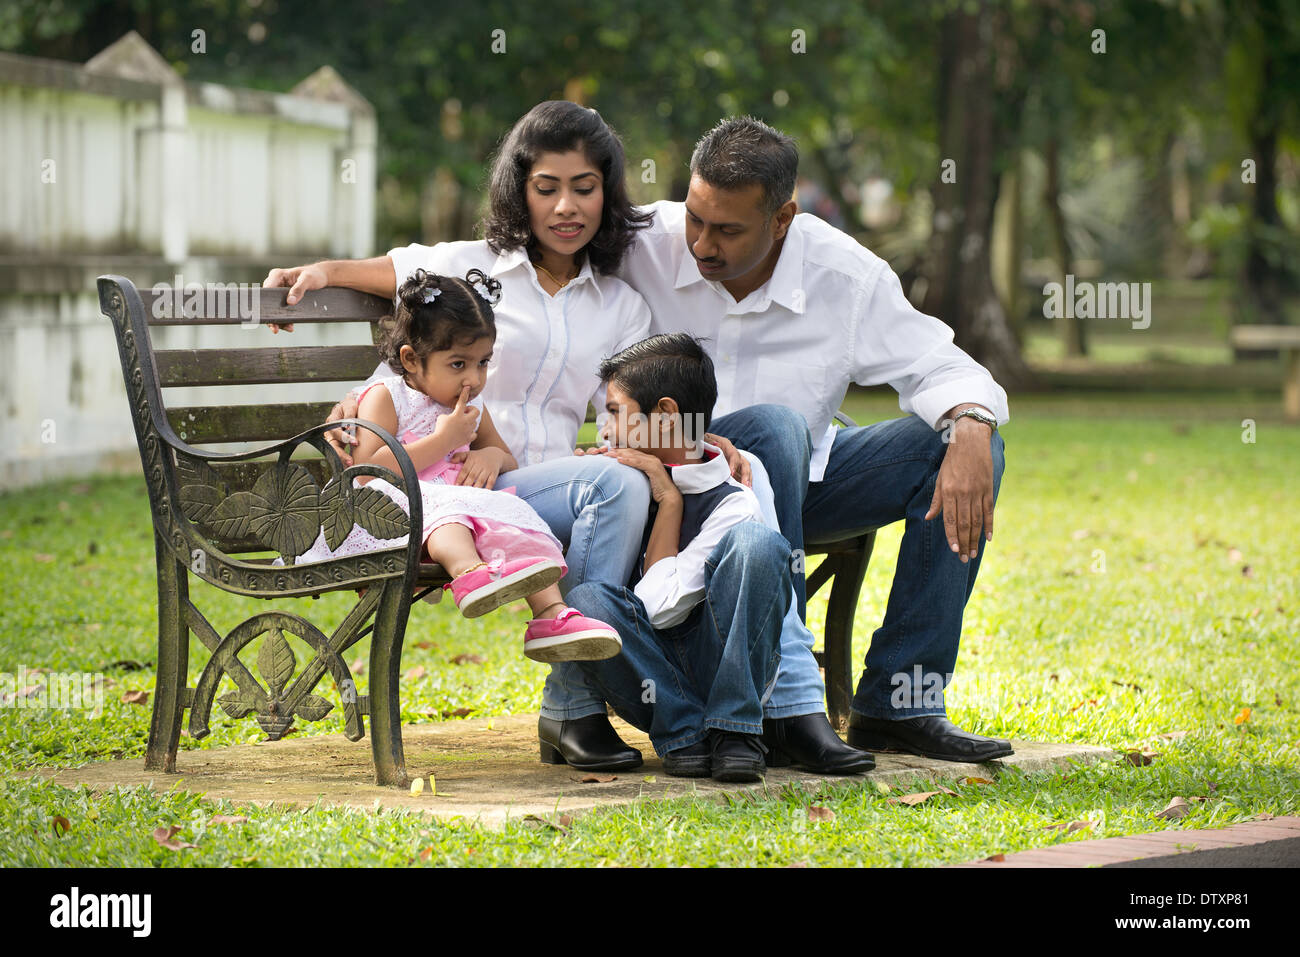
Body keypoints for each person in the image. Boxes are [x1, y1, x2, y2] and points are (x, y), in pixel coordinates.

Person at [264, 101, 753, 770]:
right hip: (448, 483)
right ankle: (576, 709)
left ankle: (575, 701)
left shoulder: (620, 305)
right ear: (519, 191)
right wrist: (318, 273)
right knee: (615, 483)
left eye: (584, 186)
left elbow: (637, 402)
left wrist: (702, 442)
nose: (565, 206)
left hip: (538, 484)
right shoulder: (473, 268)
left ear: (606, 190)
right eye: (545, 187)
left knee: (620, 480)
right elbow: (391, 272)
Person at [611, 116, 1013, 763]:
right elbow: (519, 252)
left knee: (965, 445)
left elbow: (943, 364)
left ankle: (899, 704)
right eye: (695, 219)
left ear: (782, 218)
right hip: (674, 493)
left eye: (727, 229)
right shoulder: (645, 242)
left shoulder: (845, 276)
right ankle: (786, 699)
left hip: (796, 484)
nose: (702, 243)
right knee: (773, 425)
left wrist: (971, 422)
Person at [294, 266, 623, 663]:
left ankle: (551, 616)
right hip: (386, 512)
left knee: (515, 512)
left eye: (483, 362)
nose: (475, 378)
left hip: (452, 509)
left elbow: (506, 457)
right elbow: (366, 472)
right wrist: (443, 441)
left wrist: (489, 455)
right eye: (458, 364)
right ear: (412, 360)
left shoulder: (469, 408)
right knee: (451, 511)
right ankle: (470, 575)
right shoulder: (386, 397)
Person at [565, 333, 792, 782]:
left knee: (759, 545)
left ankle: (734, 729)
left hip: (719, 662)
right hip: (649, 676)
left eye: (614, 412)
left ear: (666, 414)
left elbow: (658, 608)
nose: (604, 430)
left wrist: (669, 500)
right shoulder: (616, 478)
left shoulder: (733, 502)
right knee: (588, 602)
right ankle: (685, 731)